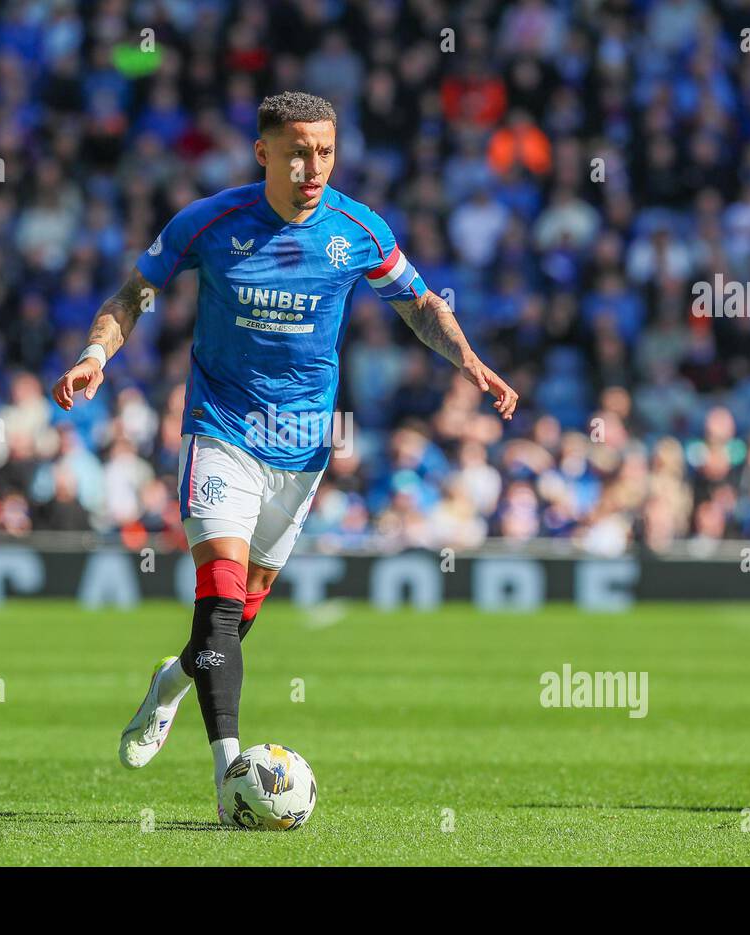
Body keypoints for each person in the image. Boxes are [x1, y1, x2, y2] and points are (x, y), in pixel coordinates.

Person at [50, 92, 518, 820]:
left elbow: (420, 303)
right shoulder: (210, 222)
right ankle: (228, 776)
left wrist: (469, 361)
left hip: (302, 450)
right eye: (297, 150)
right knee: (220, 600)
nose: (313, 166)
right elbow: (134, 294)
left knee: (237, 617)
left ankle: (172, 682)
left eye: (325, 151)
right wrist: (94, 356)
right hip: (220, 431)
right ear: (262, 151)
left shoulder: (358, 229)